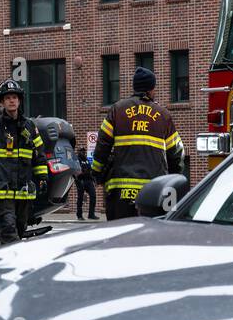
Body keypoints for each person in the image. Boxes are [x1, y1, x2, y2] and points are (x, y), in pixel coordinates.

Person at [91, 67, 184, 220]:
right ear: (151, 89)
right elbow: (177, 154)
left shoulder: (117, 110)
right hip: (156, 192)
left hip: (120, 192)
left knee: (119, 237)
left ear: (135, 87)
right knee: (156, 237)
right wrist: (174, 180)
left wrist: (96, 173)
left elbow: (102, 146)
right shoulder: (163, 115)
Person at [0, 80, 48, 246]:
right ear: (2, 102)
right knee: (9, 230)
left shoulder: (29, 126)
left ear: (19, 100)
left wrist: (42, 177)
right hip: (1, 191)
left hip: (23, 191)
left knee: (20, 229)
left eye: (14, 97)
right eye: (7, 98)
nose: (11, 100)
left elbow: (39, 155)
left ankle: (1, 256)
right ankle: (9, 262)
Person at [74, 147, 97, 221]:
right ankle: (79, 215)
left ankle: (91, 214)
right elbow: (77, 171)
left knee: (93, 196)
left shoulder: (86, 160)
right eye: (82, 151)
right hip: (81, 180)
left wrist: (93, 179)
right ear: (79, 152)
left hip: (89, 180)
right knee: (80, 198)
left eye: (84, 151)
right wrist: (81, 174)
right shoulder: (77, 160)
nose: (83, 153)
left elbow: (90, 170)